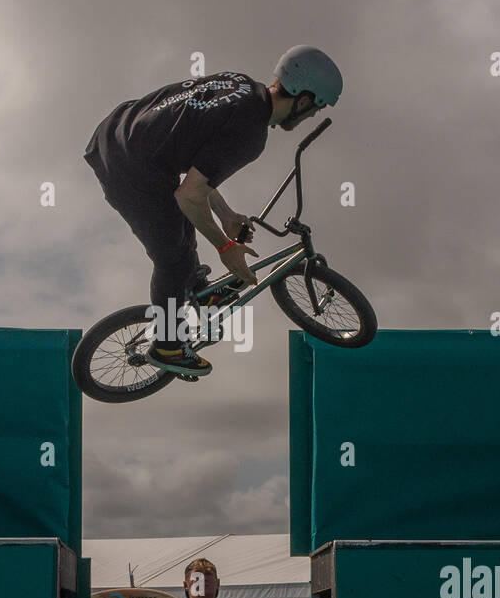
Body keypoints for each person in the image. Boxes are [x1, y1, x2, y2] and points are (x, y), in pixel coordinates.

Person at [84, 46, 343, 378]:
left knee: (181, 235)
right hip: (128, 166)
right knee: (173, 258)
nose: (310, 118)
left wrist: (227, 214)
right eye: (314, 110)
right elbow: (189, 195)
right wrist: (226, 249)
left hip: (118, 131)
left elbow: (196, 172)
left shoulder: (240, 85)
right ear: (304, 100)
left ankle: (201, 294)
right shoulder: (251, 134)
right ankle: (168, 346)